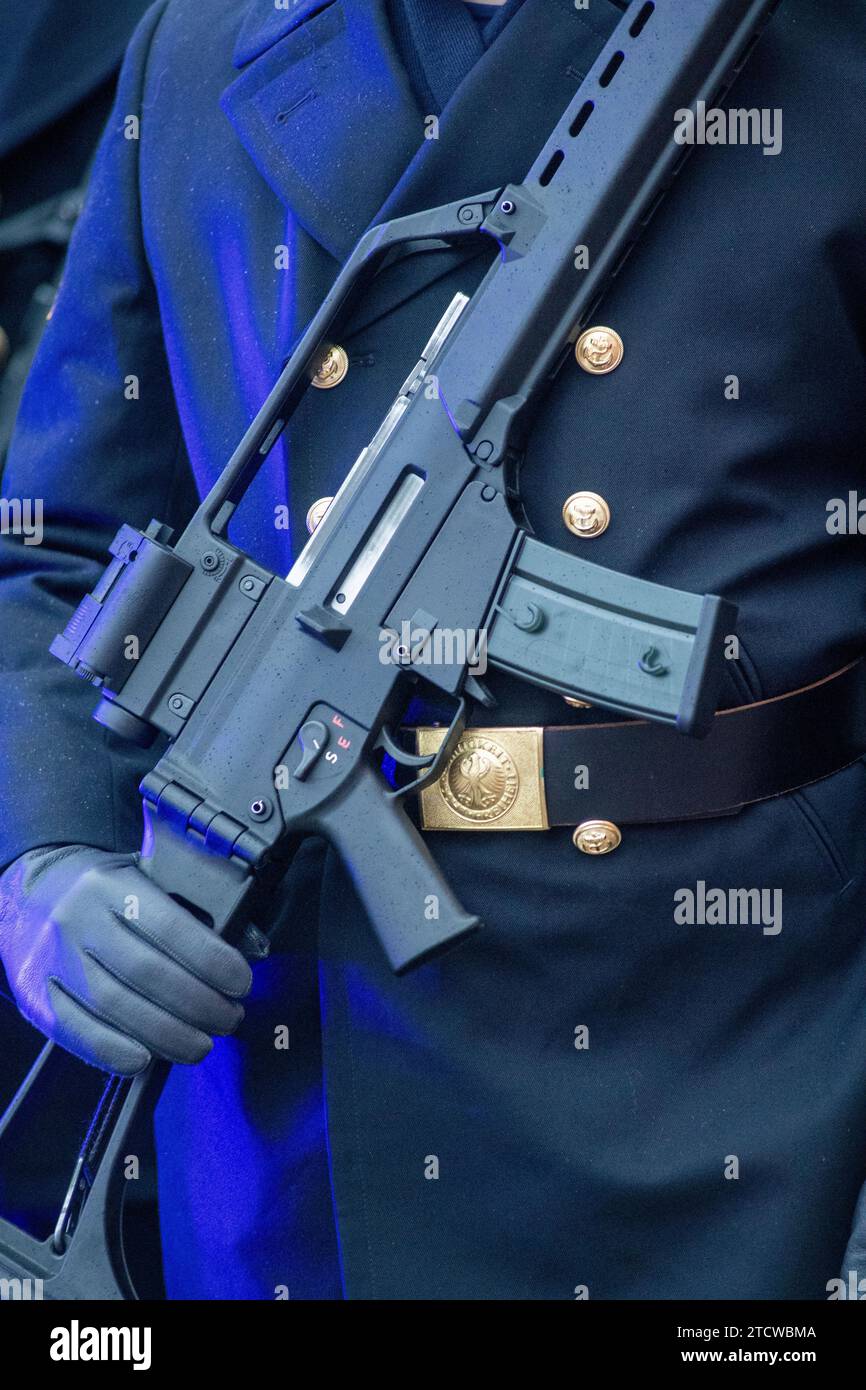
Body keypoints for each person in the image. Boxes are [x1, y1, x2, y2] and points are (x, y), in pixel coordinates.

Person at [1, 0, 866, 1301]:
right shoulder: (193, 48)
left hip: (744, 1071)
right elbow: (64, 549)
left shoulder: (816, 50)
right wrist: (41, 873)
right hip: (284, 1071)